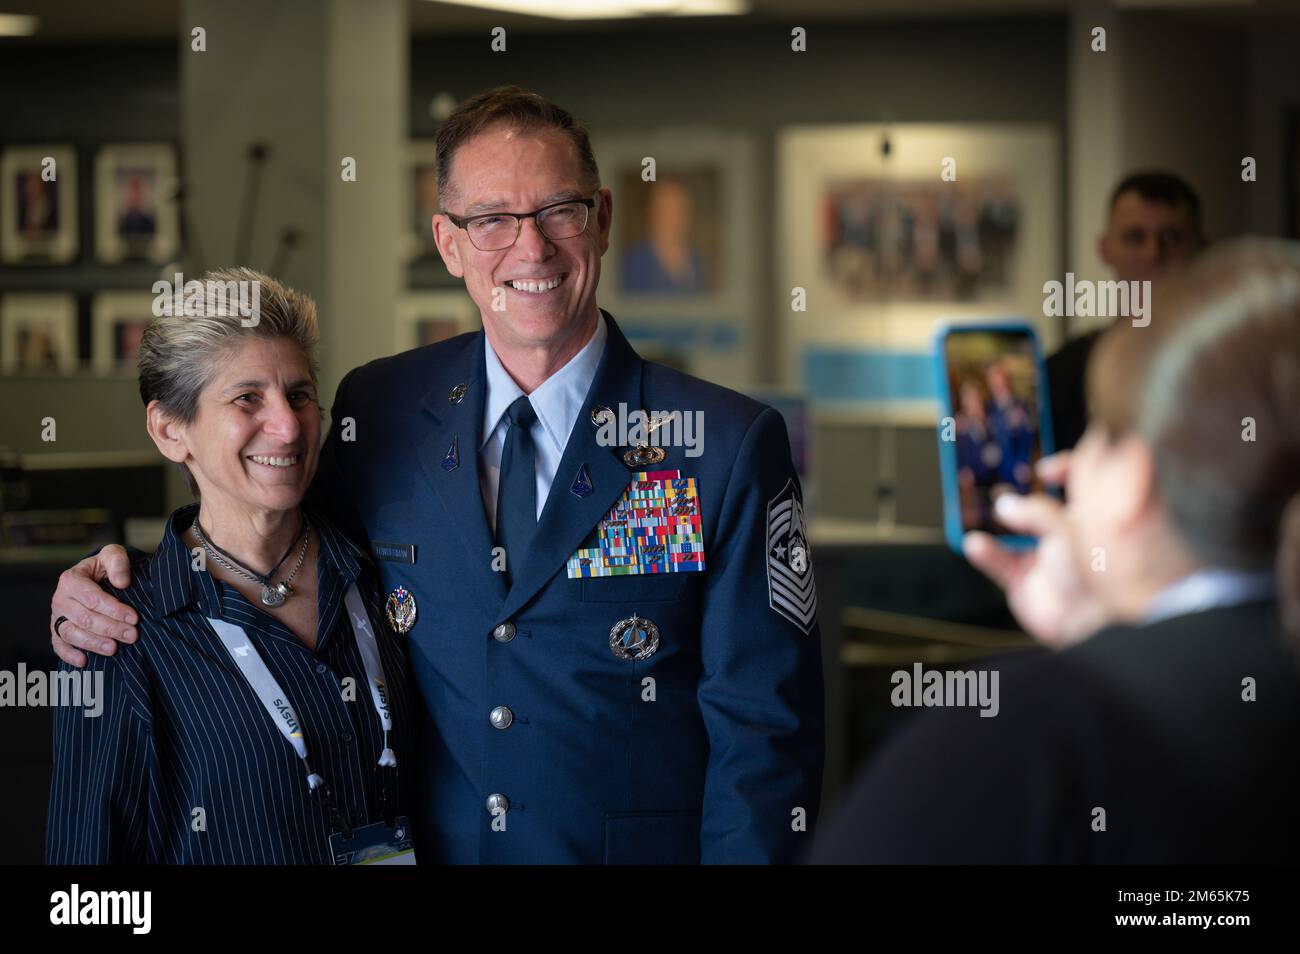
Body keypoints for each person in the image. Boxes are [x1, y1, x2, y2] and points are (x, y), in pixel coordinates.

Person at [49, 86, 824, 865]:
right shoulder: (382, 409)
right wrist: (111, 585)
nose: (531, 249)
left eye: (560, 209)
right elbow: (260, 531)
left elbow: (767, 744)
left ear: (604, 219)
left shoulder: (719, 447)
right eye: (491, 219)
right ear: (448, 244)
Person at [809, 238, 1300, 864]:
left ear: (1134, 480)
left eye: (1098, 430)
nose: (1066, 464)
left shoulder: (1031, 727)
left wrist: (1092, 667)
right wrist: (1101, 629)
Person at [46, 269, 415, 864]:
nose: (289, 425)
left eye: (299, 394)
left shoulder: (378, 569)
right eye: (248, 398)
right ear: (170, 430)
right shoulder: (118, 635)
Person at [1047, 171, 1205, 451]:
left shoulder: (1231, 367)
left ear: (1201, 247)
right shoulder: (1060, 375)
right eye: (1135, 237)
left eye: (1172, 237)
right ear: (1105, 249)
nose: (1153, 253)